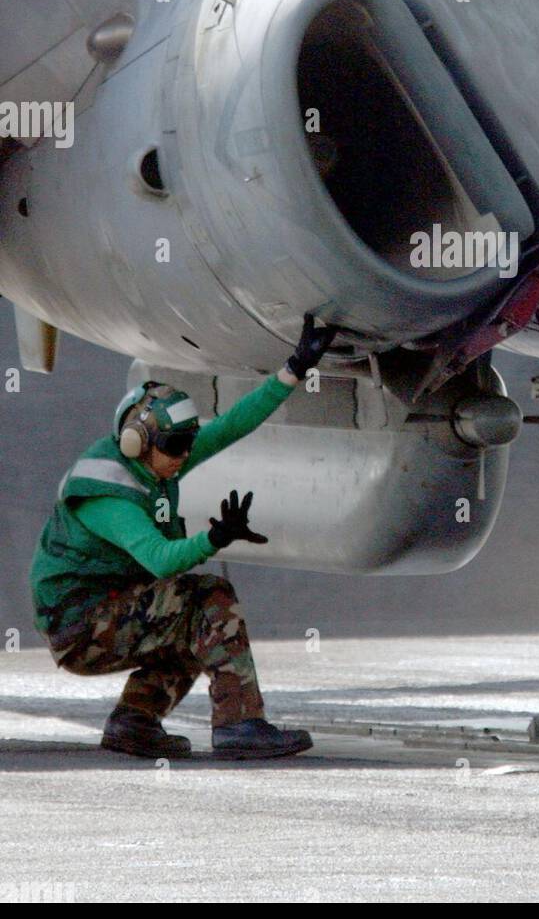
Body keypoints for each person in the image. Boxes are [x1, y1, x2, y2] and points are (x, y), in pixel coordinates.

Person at [30, 314, 335, 760]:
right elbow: (160, 559)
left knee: (188, 625)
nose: (185, 455)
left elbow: (230, 427)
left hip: (106, 609)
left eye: (187, 444)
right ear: (138, 442)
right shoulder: (109, 494)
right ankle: (239, 724)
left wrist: (293, 370)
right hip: (79, 626)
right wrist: (215, 538)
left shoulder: (156, 460)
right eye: (176, 447)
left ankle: (134, 721)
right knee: (210, 600)